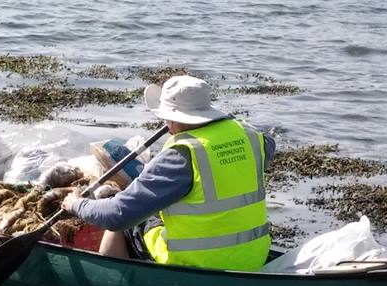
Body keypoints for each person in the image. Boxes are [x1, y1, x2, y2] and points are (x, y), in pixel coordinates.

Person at [61, 75, 275, 271]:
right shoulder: (252, 137)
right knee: (157, 206)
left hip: (201, 263)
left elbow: (117, 215)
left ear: (172, 118)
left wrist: (76, 204)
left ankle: (112, 284)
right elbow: (262, 147)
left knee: (125, 219)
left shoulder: (182, 155)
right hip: (254, 255)